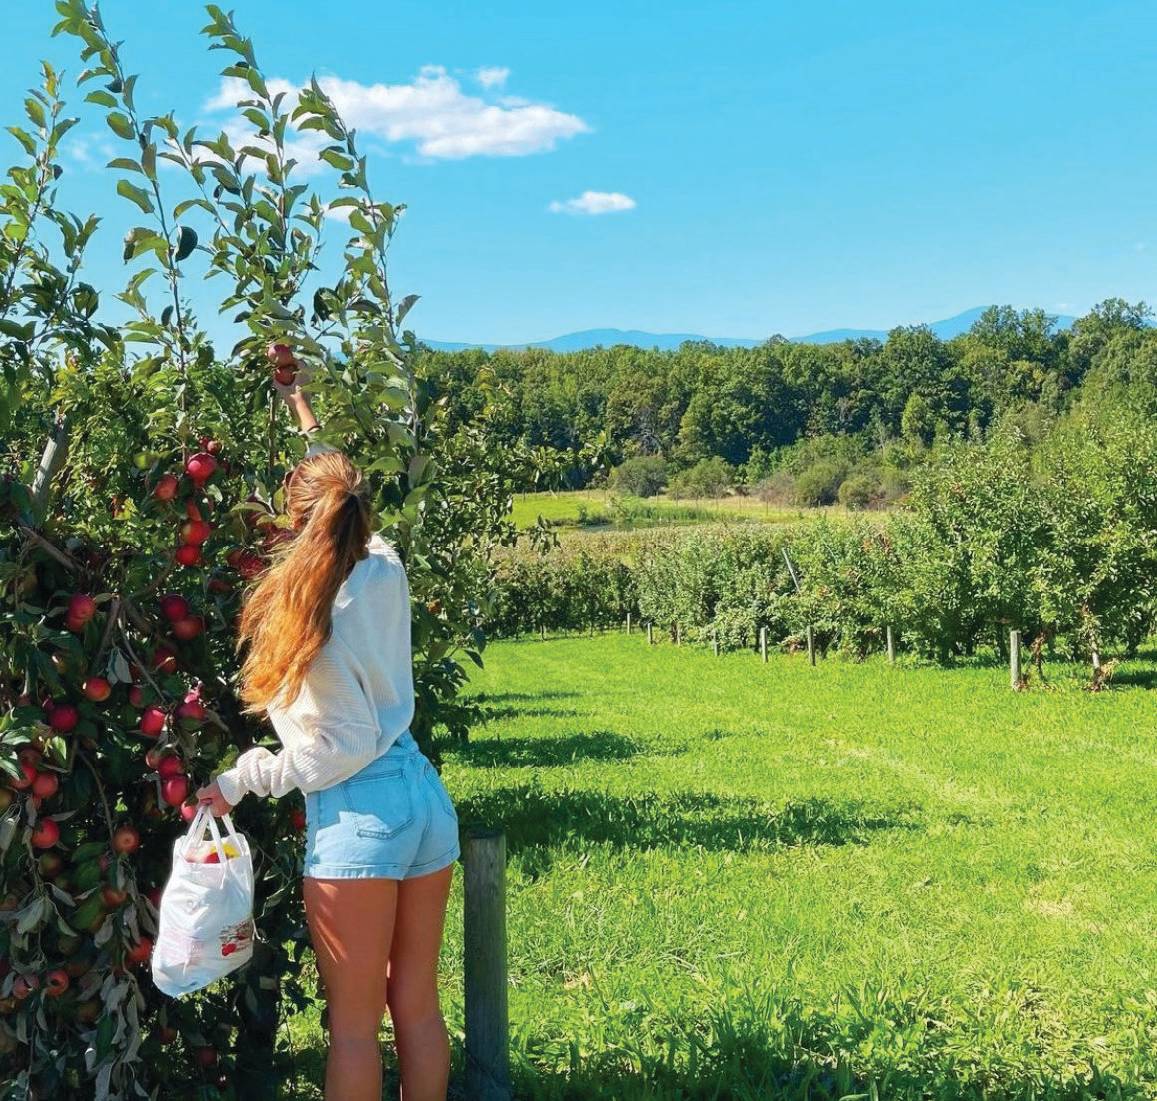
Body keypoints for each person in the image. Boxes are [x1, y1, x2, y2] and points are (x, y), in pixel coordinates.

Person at [197, 357, 458, 1101]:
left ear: (297, 518)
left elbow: (333, 749)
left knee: (352, 1028)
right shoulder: (384, 569)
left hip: (359, 811)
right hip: (422, 795)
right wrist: (302, 406)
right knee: (417, 1004)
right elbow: (341, 490)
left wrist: (241, 778)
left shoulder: (307, 613)